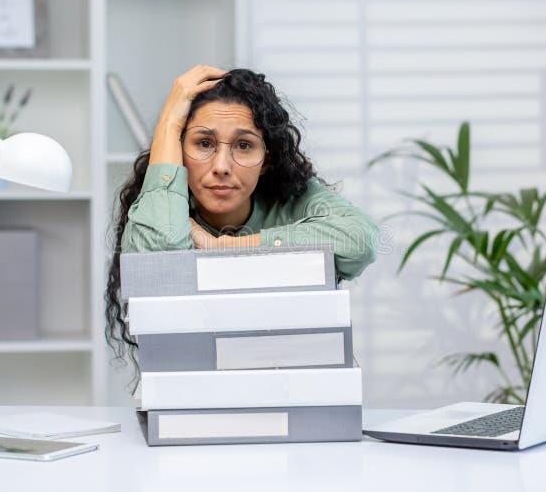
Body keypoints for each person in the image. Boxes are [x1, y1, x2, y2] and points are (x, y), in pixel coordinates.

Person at [105, 65, 378, 365]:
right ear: (178, 151)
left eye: (244, 145)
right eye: (204, 143)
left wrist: (222, 248)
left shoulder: (294, 199)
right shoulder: (156, 209)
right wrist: (168, 124)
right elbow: (160, 260)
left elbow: (360, 241)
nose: (222, 166)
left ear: (265, 160)